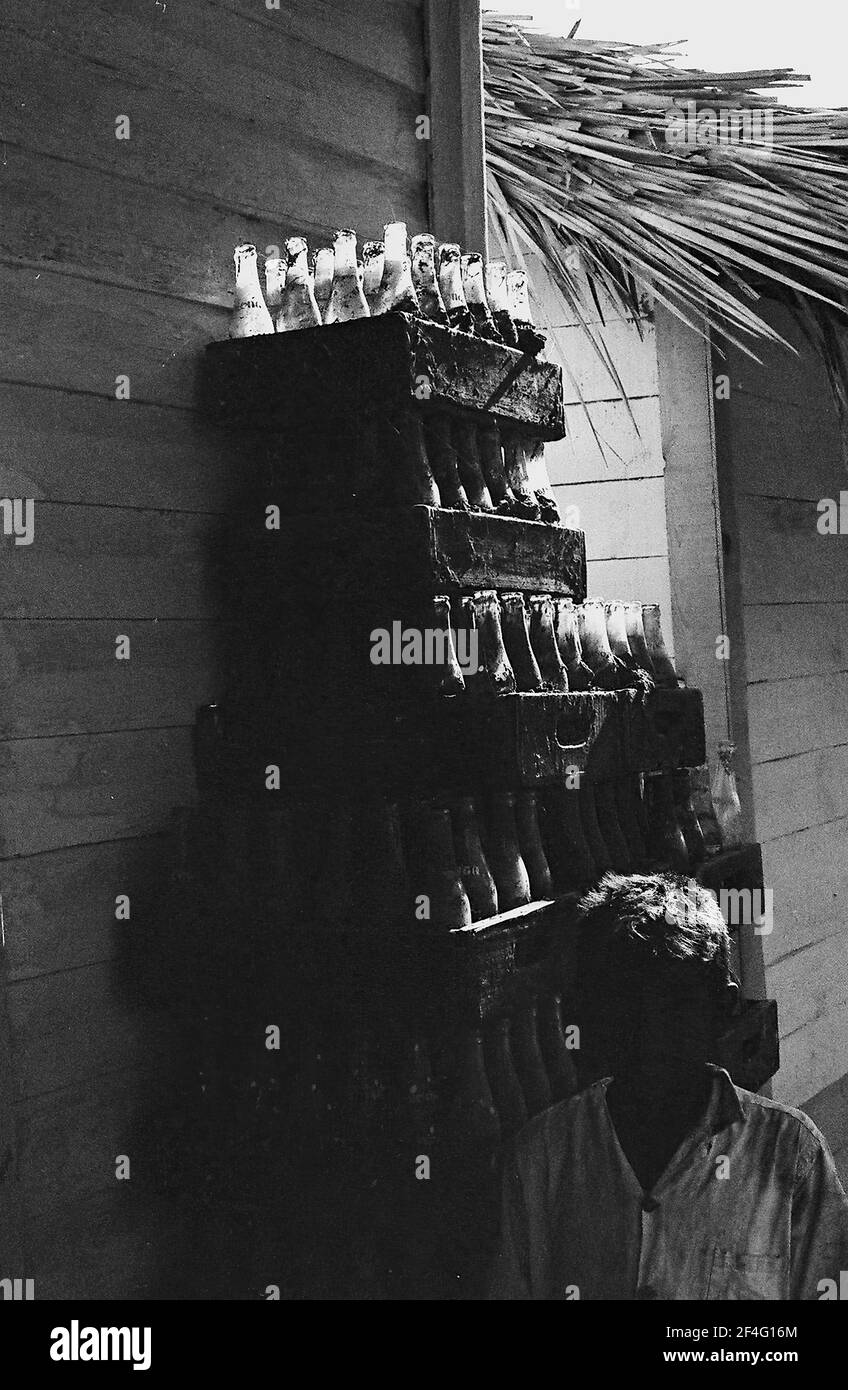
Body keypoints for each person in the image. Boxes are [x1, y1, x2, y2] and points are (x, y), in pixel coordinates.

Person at [489, 872, 848, 1300]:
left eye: (676, 1007)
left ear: (723, 1011)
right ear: (587, 1015)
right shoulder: (541, 1159)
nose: (649, 1035)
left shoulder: (789, 1155)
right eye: (623, 1005)